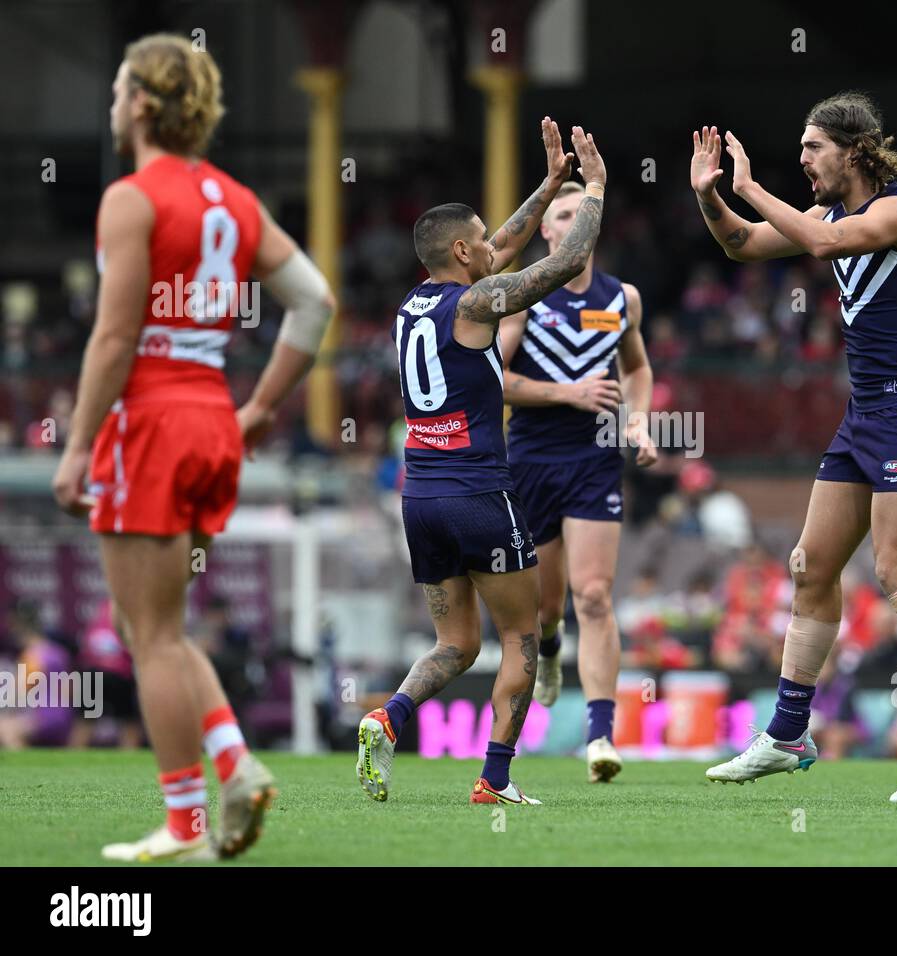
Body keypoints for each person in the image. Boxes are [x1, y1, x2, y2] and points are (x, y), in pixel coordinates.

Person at [51, 35, 335, 860]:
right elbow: (314, 304)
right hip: (213, 416)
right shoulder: (236, 199)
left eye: (116, 88)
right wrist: (261, 406)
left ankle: (188, 819)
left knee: (153, 635)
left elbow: (113, 339)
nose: (111, 103)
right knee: (160, 628)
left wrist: (74, 450)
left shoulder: (133, 198)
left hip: (152, 418)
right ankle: (232, 769)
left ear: (142, 100)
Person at [692, 91, 897, 801]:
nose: (802, 159)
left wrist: (750, 184)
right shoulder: (826, 215)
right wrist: (710, 197)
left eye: (812, 147)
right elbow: (739, 243)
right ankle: (788, 734)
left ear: (854, 150)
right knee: (810, 566)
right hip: (866, 413)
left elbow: (822, 245)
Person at [355, 119, 608, 806]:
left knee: (454, 645)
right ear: (462, 250)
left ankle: (388, 717)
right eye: (482, 238)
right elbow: (556, 266)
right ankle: (494, 780)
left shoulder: (414, 304)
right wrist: (594, 195)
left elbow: (499, 248)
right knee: (520, 641)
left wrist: (550, 183)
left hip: (421, 499)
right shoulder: (475, 304)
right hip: (479, 496)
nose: (494, 243)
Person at [497, 179, 658, 783]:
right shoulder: (523, 298)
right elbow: (495, 381)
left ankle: (599, 737)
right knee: (546, 605)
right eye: (561, 215)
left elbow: (637, 368)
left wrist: (639, 423)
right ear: (546, 231)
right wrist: (568, 392)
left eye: (583, 213)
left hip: (595, 457)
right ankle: (550, 645)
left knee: (593, 596)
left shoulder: (623, 299)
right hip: (532, 459)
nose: (573, 224)